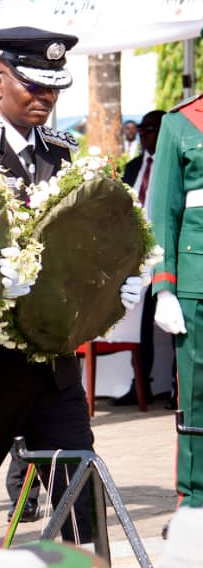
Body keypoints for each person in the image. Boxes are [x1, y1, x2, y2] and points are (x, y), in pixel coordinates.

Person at [0, 26, 145, 560]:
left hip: (53, 368)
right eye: (34, 85)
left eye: (53, 87)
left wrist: (115, 280)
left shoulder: (62, 153)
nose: (46, 97)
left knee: (82, 500)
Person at [150, 89, 203, 509]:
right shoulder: (180, 123)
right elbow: (162, 213)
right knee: (196, 395)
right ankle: (195, 498)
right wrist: (164, 287)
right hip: (196, 279)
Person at [112, 109, 171, 408]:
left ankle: (176, 387)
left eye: (151, 128)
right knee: (141, 323)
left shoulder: (174, 164)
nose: (144, 133)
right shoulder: (134, 166)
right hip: (136, 255)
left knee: (172, 319)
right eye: (142, 128)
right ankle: (140, 386)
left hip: (167, 251)